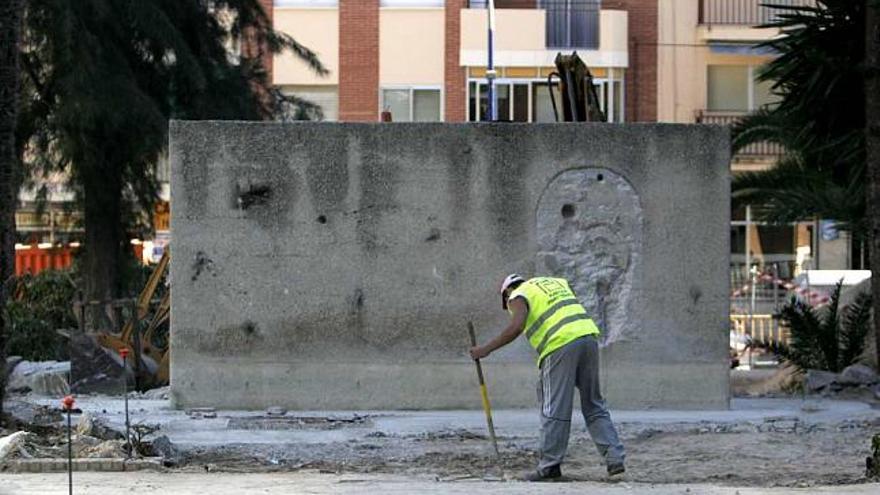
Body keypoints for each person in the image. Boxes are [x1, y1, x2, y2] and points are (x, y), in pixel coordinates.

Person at [469, 274, 626, 481]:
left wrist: (485, 350)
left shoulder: (517, 294)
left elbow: (517, 326)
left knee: (553, 407)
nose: (509, 306)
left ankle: (549, 466)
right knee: (593, 403)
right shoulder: (554, 283)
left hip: (559, 345)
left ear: (507, 291)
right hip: (587, 338)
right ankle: (614, 458)